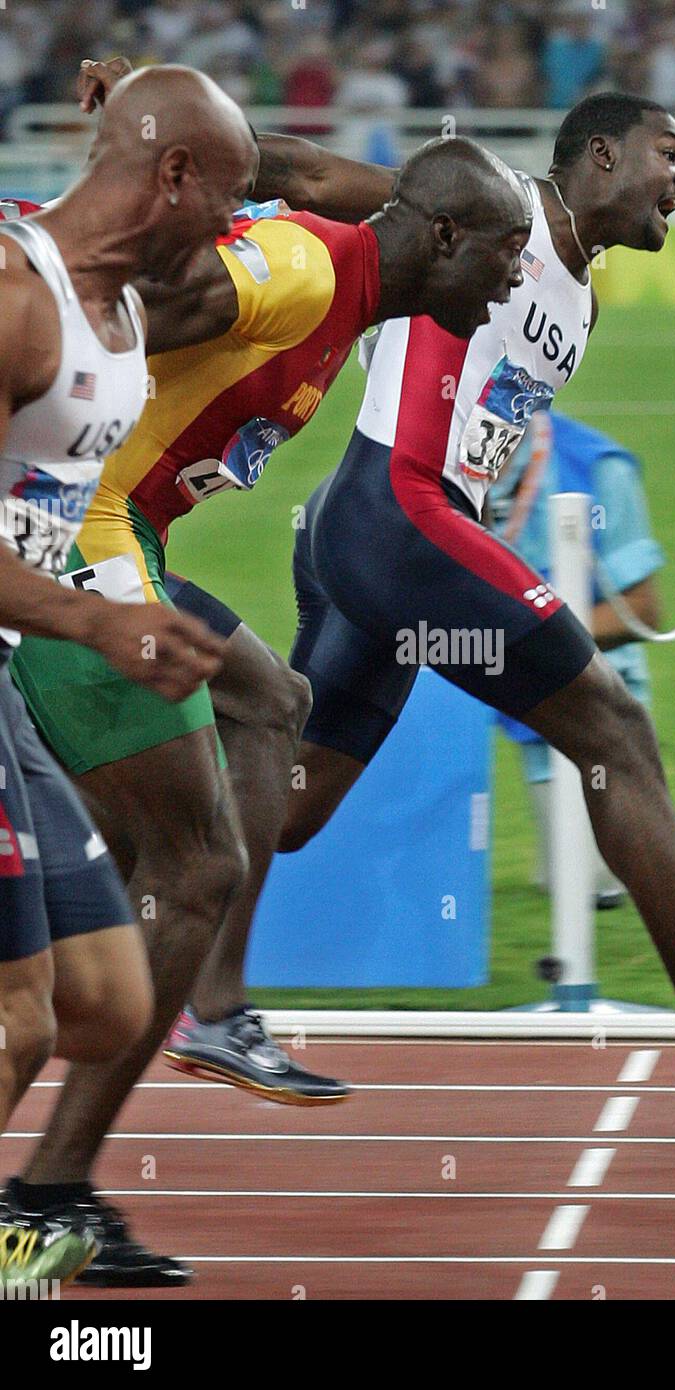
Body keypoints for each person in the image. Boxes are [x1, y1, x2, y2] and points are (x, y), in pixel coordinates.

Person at [4, 59, 531, 1288]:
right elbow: (158, 280)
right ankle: (52, 1191)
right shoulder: (301, 270)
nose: (510, 287)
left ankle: (195, 990)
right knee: (200, 861)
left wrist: (158, 125)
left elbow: (290, 172)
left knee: (272, 701)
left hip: (124, 540)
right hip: (84, 547)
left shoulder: (354, 260)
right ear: (443, 241)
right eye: (502, 260)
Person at [271, 92, 675, 1113]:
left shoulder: (583, 297)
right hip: (395, 512)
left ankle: (83, 862)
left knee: (286, 808)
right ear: (601, 153)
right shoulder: (489, 199)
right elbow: (308, 175)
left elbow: (489, 428)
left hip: (396, 542)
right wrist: (152, 161)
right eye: (670, 154)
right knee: (615, 727)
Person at [0, 63, 256, 1292]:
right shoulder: (14, 299)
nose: (234, 231)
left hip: (8, 670)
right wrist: (102, 628)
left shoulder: (121, 308)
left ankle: (34, 1202)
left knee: (101, 998)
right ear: (171, 176)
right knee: (24, 1018)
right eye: (226, 199)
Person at [490, 410, 664, 906]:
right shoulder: (434, 460)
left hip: (576, 702)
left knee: (588, 887)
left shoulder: (598, 465)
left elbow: (643, 610)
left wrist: (529, 640)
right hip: (461, 676)